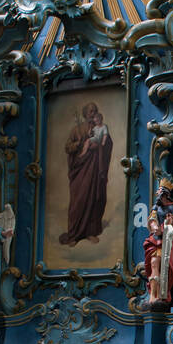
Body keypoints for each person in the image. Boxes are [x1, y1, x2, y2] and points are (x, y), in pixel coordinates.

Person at [59, 102, 113, 246]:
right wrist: (80, 145)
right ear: (85, 114)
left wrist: (100, 146)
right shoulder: (77, 129)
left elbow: (106, 143)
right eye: (90, 111)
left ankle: (90, 232)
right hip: (80, 170)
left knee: (95, 198)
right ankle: (74, 234)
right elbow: (68, 147)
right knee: (79, 200)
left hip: (95, 169)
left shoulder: (99, 128)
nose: (93, 113)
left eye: (95, 111)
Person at [141, 180, 173, 306]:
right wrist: (155, 227)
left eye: (159, 191)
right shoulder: (156, 207)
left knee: (160, 264)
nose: (156, 193)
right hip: (155, 238)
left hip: (165, 239)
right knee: (153, 263)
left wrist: (170, 223)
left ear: (164, 194)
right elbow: (152, 220)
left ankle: (160, 293)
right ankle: (153, 295)